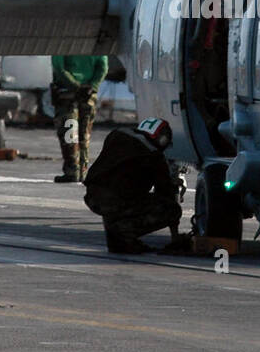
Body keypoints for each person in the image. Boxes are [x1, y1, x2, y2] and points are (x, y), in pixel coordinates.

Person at [83, 118, 188, 253]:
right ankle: (123, 231)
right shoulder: (153, 155)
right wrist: (175, 238)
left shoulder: (117, 134)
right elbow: (165, 193)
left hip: (93, 196)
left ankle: (117, 242)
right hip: (116, 200)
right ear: (162, 138)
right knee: (171, 210)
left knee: (119, 196)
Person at [50, 54, 108, 183]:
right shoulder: (97, 45)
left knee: (69, 132)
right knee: (84, 134)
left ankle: (72, 171)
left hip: (67, 94)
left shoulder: (63, 42)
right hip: (88, 95)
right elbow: (103, 67)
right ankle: (83, 171)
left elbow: (59, 68)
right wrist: (92, 86)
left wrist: (75, 86)